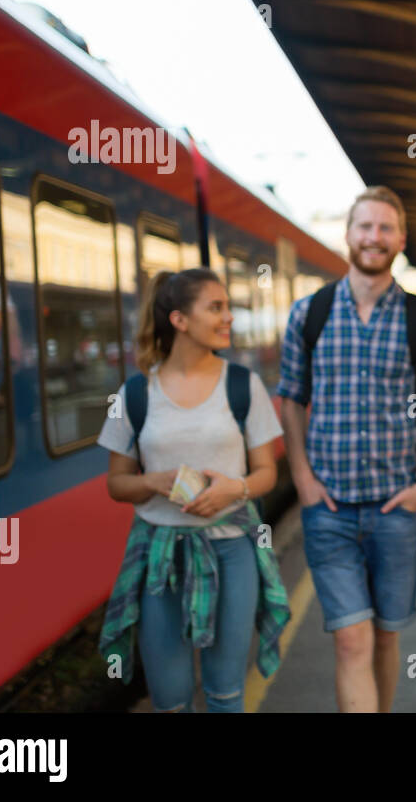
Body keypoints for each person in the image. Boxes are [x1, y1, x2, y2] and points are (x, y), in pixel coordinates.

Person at [277, 186, 416, 713]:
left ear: (400, 239)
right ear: (349, 235)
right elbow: (290, 398)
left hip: (395, 507)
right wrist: (302, 479)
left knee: (386, 636)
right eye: (364, 227)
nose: (373, 237)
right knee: (352, 640)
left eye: (384, 228)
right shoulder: (309, 314)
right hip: (328, 509)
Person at [98, 268, 290, 713]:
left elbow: (267, 473)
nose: (229, 318)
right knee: (171, 698)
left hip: (232, 551)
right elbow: (116, 484)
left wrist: (234, 489)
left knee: (225, 693)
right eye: (216, 308)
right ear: (180, 320)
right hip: (159, 557)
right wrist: (151, 481)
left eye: (227, 308)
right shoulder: (135, 394)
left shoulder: (243, 386)